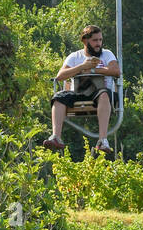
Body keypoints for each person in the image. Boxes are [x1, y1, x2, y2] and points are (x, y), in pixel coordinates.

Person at [41, 24, 120, 156]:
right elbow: (60, 76)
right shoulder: (75, 57)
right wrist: (82, 67)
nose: (98, 44)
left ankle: (103, 140)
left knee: (104, 94)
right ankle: (56, 136)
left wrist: (94, 70)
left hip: (100, 93)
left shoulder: (107, 54)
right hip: (78, 93)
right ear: (85, 41)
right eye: (95, 40)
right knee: (58, 98)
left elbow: (116, 71)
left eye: (100, 40)